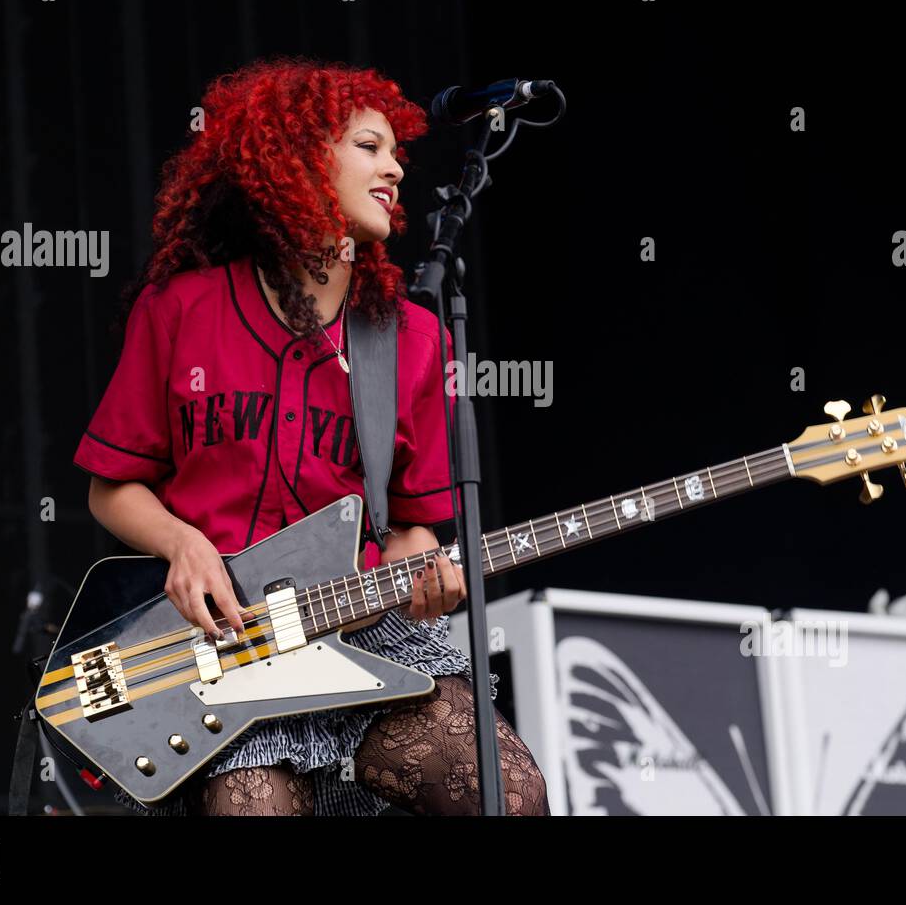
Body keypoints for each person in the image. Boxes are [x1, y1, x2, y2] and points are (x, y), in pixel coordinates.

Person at [73, 56, 549, 816]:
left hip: (359, 631)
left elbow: (412, 524)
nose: (395, 166)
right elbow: (112, 485)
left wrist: (425, 571)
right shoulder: (180, 310)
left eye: (398, 151)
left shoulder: (413, 339)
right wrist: (182, 544)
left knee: (507, 792)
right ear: (294, 162)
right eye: (370, 146)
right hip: (225, 650)